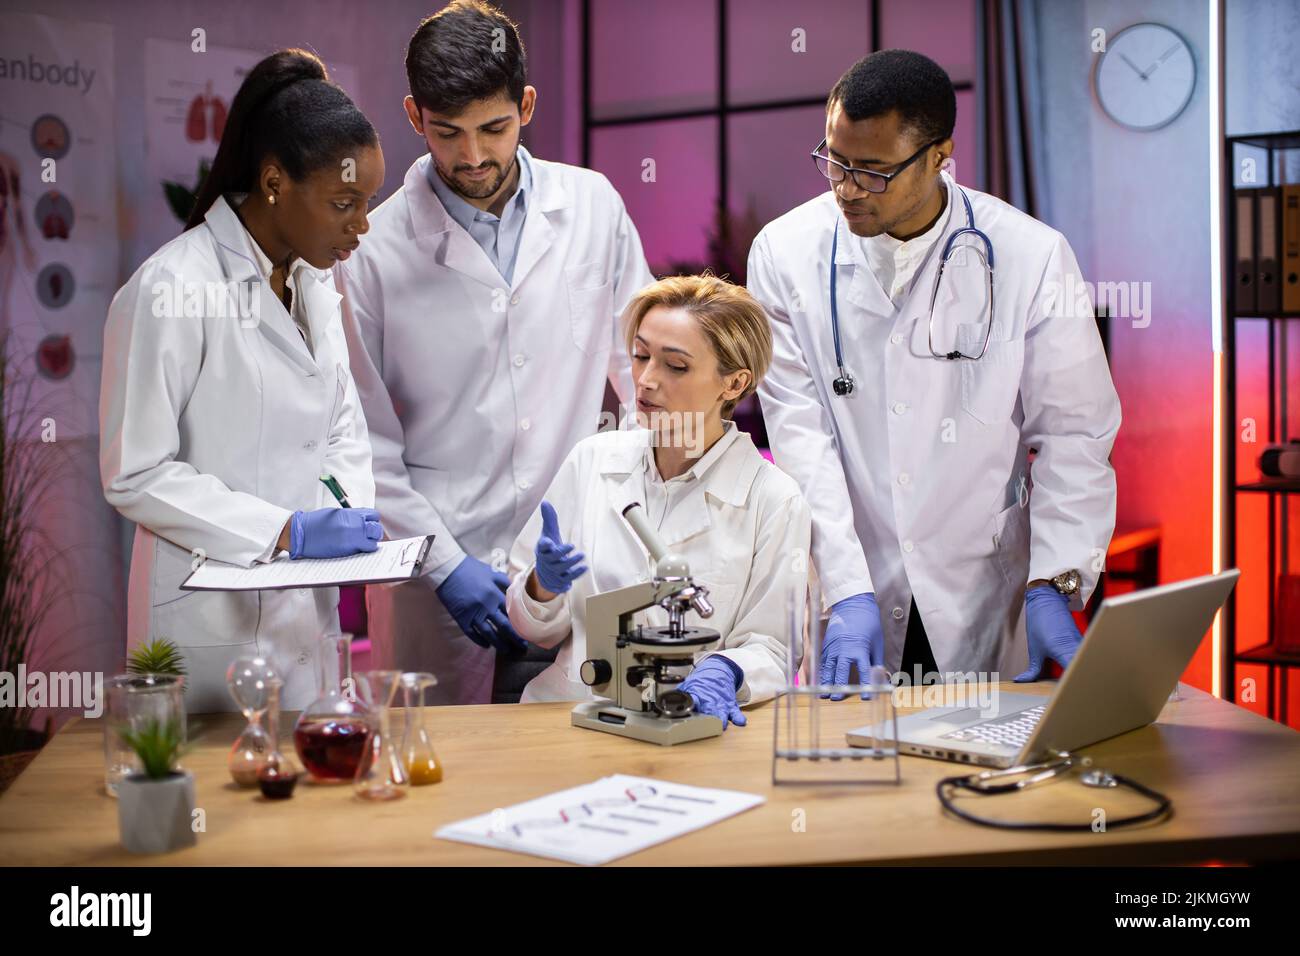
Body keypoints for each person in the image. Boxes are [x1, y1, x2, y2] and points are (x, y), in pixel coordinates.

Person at [748, 50, 1121, 696]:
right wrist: (847, 590)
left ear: (940, 154)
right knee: (858, 779)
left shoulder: (1031, 257)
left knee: (990, 779)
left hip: (981, 591)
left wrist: (1055, 577)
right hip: (854, 580)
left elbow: (1074, 434)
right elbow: (801, 439)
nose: (845, 188)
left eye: (873, 171)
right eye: (835, 160)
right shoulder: (782, 254)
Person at [339, 0, 653, 704]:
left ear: (528, 106)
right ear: (415, 116)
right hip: (437, 570)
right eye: (448, 133)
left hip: (574, 552)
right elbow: (362, 439)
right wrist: (445, 565)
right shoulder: (370, 253)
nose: (474, 156)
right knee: (440, 778)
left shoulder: (593, 207)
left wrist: (612, 506)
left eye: (494, 128)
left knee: (574, 764)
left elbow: (646, 373)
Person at [99, 49, 386, 711]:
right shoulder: (172, 287)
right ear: (275, 180)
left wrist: (344, 510)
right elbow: (134, 472)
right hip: (207, 624)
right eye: (344, 202)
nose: (362, 225)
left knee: (311, 802)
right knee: (217, 801)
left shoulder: (315, 280)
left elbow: (340, 420)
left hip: (303, 616)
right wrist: (287, 530)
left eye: (367, 202)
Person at [504, 275, 810, 725]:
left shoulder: (774, 499)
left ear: (734, 382)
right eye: (641, 356)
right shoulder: (593, 460)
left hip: (691, 723)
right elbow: (532, 628)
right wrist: (542, 586)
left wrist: (726, 669)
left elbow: (773, 648)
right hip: (568, 711)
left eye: (676, 366)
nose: (646, 381)